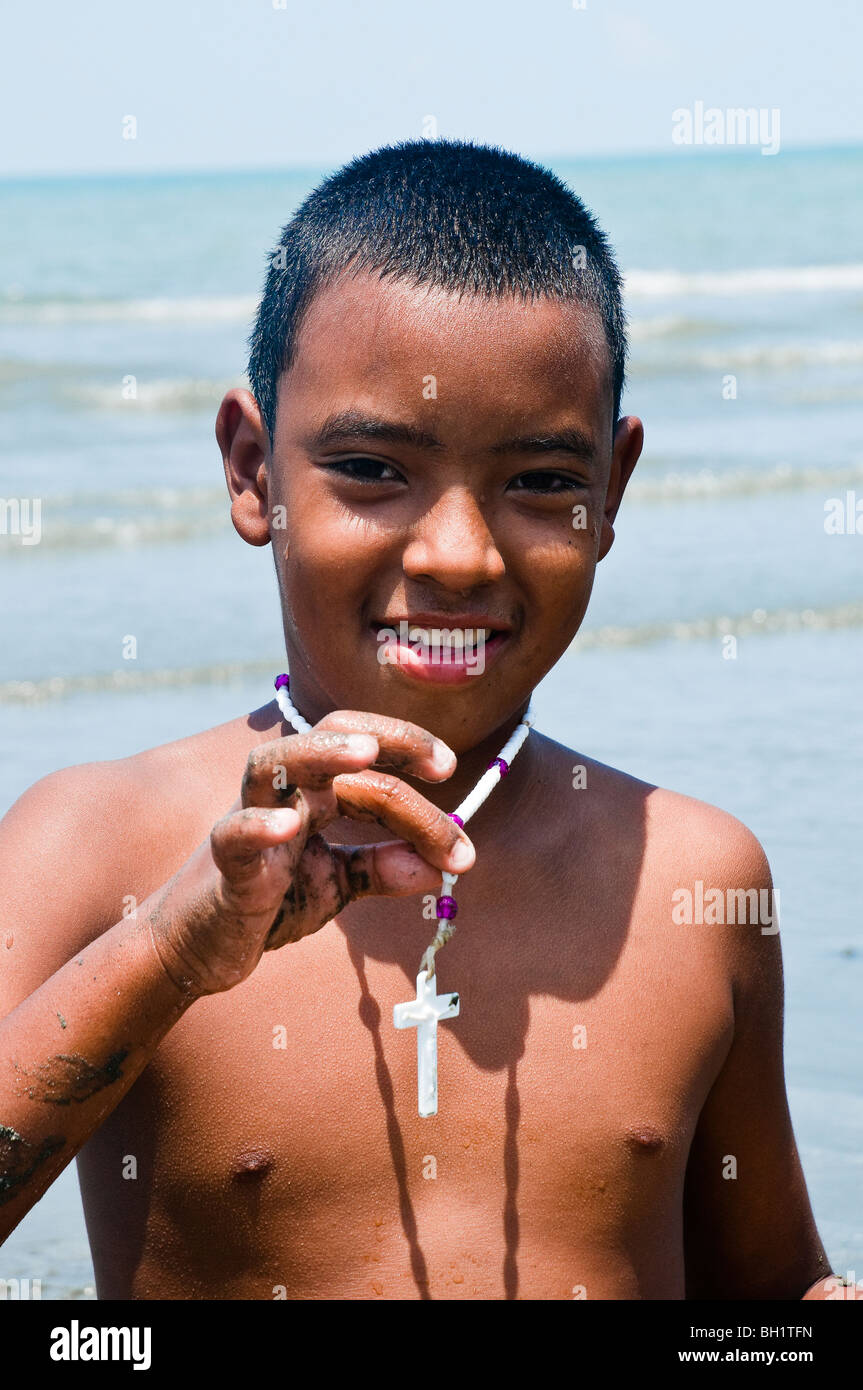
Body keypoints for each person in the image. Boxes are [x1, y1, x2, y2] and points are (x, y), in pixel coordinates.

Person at [0, 140, 846, 1300]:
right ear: (253, 472)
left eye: (543, 480)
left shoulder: (693, 879)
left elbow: (767, 1296)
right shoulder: (94, 846)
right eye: (368, 467)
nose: (457, 555)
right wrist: (168, 953)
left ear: (613, 487)